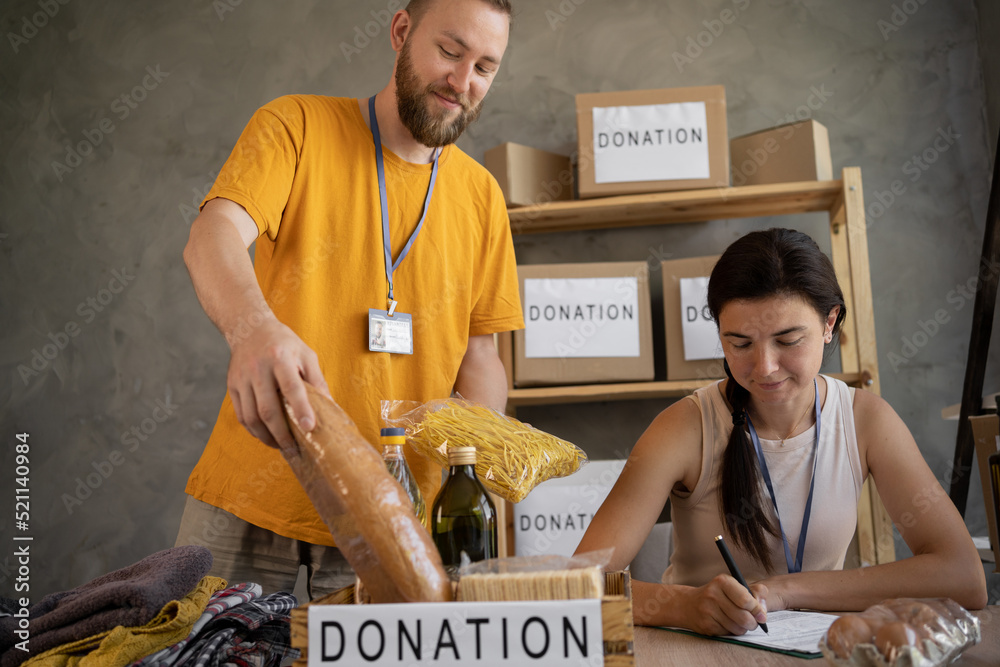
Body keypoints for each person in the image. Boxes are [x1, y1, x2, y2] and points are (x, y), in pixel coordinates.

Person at [175, 0, 523, 599]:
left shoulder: (482, 196)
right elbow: (214, 233)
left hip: (394, 518)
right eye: (450, 51)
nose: (462, 81)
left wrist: (473, 461)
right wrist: (253, 328)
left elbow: (481, 355)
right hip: (249, 497)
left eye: (485, 67)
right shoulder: (295, 125)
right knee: (191, 642)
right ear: (401, 31)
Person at [576, 228, 987, 636]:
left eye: (788, 340)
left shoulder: (865, 420)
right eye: (740, 344)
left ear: (829, 323)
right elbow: (578, 583)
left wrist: (786, 591)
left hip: (823, 650)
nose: (765, 367)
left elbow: (963, 576)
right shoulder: (683, 427)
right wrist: (683, 605)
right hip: (699, 650)